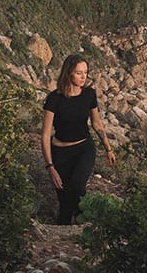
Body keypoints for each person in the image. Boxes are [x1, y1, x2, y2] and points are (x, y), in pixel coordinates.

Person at [41, 53, 116, 224]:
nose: (84, 77)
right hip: (60, 153)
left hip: (84, 149)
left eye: (85, 72)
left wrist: (108, 148)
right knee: (65, 202)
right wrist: (50, 166)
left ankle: (88, 224)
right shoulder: (54, 99)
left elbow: (97, 124)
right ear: (69, 73)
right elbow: (45, 134)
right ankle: (64, 234)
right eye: (79, 73)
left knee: (77, 187)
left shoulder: (89, 94)